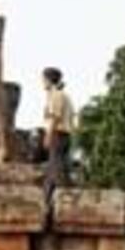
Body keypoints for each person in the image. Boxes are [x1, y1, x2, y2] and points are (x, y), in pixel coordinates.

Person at [42, 67, 76, 197]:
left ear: (48, 80)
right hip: (64, 134)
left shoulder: (57, 95)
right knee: (53, 168)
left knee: (57, 169)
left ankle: (65, 196)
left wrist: (48, 135)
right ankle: (49, 198)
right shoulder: (62, 96)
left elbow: (55, 117)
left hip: (58, 134)